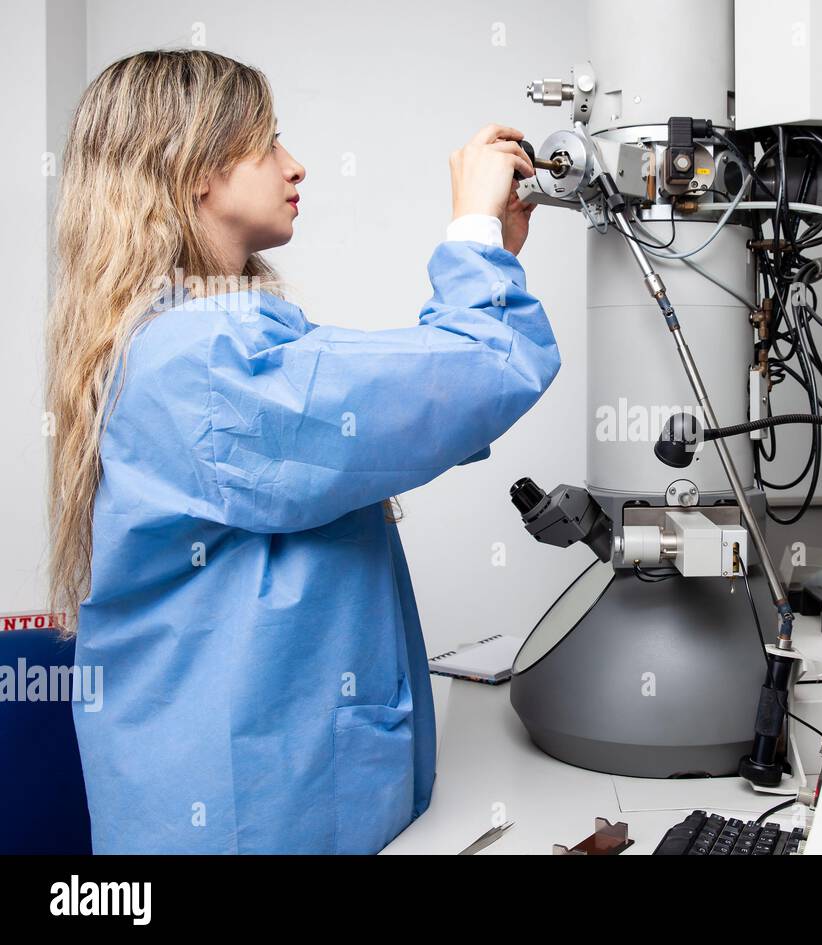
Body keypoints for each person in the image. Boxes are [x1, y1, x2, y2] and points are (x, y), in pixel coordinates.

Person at [43, 49, 559, 853]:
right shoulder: (205, 357)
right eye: (268, 143)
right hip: (244, 817)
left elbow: (397, 407)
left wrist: (493, 255)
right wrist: (471, 231)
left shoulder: (192, 339)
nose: (297, 165)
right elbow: (473, 374)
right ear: (195, 174)